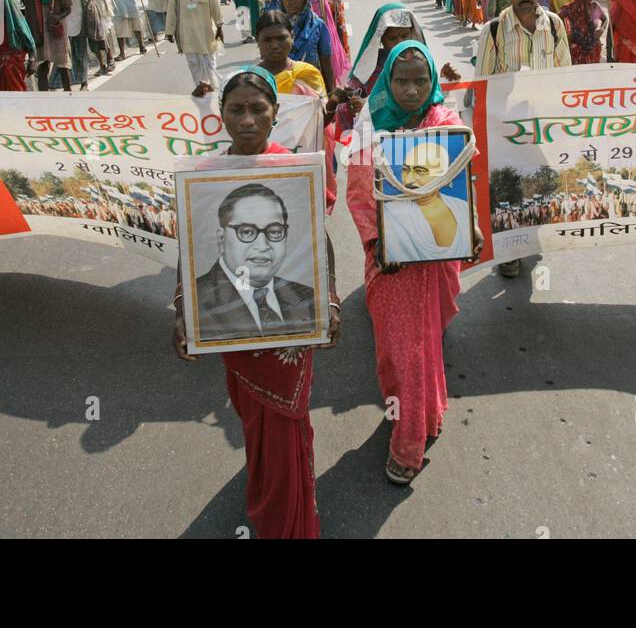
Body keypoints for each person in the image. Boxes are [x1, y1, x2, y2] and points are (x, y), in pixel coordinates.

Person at [173, 67, 340, 539]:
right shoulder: (204, 179)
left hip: (292, 335)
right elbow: (191, 251)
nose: (246, 119)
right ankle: (265, 488)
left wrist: (331, 303)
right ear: (221, 115)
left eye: (257, 109)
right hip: (234, 338)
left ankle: (287, 523)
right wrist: (182, 313)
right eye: (236, 109)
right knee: (256, 426)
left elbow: (318, 242)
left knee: (286, 433)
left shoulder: (293, 168)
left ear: (275, 115)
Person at [347, 41, 482, 484]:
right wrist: (375, 243)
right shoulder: (372, 126)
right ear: (387, 80)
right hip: (389, 261)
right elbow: (358, 194)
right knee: (397, 354)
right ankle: (421, 408)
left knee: (416, 352)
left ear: (432, 82)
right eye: (401, 80)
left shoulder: (445, 121)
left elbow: (462, 179)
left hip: (433, 256)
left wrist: (473, 227)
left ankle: (408, 447)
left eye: (420, 80)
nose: (410, 90)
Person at [478, 0, 573, 279]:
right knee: (510, 189)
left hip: (544, 124)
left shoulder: (555, 25)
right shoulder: (493, 30)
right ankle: (510, 252)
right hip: (509, 124)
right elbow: (482, 84)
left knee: (542, 186)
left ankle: (528, 236)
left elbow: (565, 75)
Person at [194, 182, 317, 341]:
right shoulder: (196, 303)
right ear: (221, 239)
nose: (262, 245)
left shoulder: (308, 296)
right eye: (246, 232)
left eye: (274, 231)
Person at [381, 140, 474, 263]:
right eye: (405, 170)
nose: (408, 180)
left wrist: (475, 227)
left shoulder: (462, 209)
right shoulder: (391, 215)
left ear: (443, 175)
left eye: (420, 171)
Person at [165, 0, 224, 99]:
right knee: (194, 66)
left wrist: (220, 25)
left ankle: (213, 94)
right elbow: (172, 6)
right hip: (187, 33)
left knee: (211, 65)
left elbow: (214, 4)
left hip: (207, 32)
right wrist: (169, 31)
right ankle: (203, 94)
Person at [263, 0, 335, 94]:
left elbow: (326, 63)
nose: (291, 1)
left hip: (311, 91)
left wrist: (331, 94)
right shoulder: (273, 27)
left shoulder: (317, 26)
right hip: (281, 92)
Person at [18, 0, 73, 92]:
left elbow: (68, 8)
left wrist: (57, 16)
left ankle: (69, 95)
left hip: (55, 30)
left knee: (63, 66)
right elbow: (22, 5)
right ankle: (44, 97)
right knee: (42, 67)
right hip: (37, 30)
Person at [255, 11, 325, 97]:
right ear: (257, 40)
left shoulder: (306, 74)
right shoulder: (250, 78)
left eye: (281, 38)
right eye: (267, 40)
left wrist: (333, 102)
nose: (275, 46)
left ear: (292, 37)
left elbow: (320, 107)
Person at [559, 0, 608, 65]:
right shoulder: (570, 8)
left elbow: (605, 19)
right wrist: (566, 35)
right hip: (576, 54)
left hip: (593, 51)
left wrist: (602, 29)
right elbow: (556, 18)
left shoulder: (595, 7)